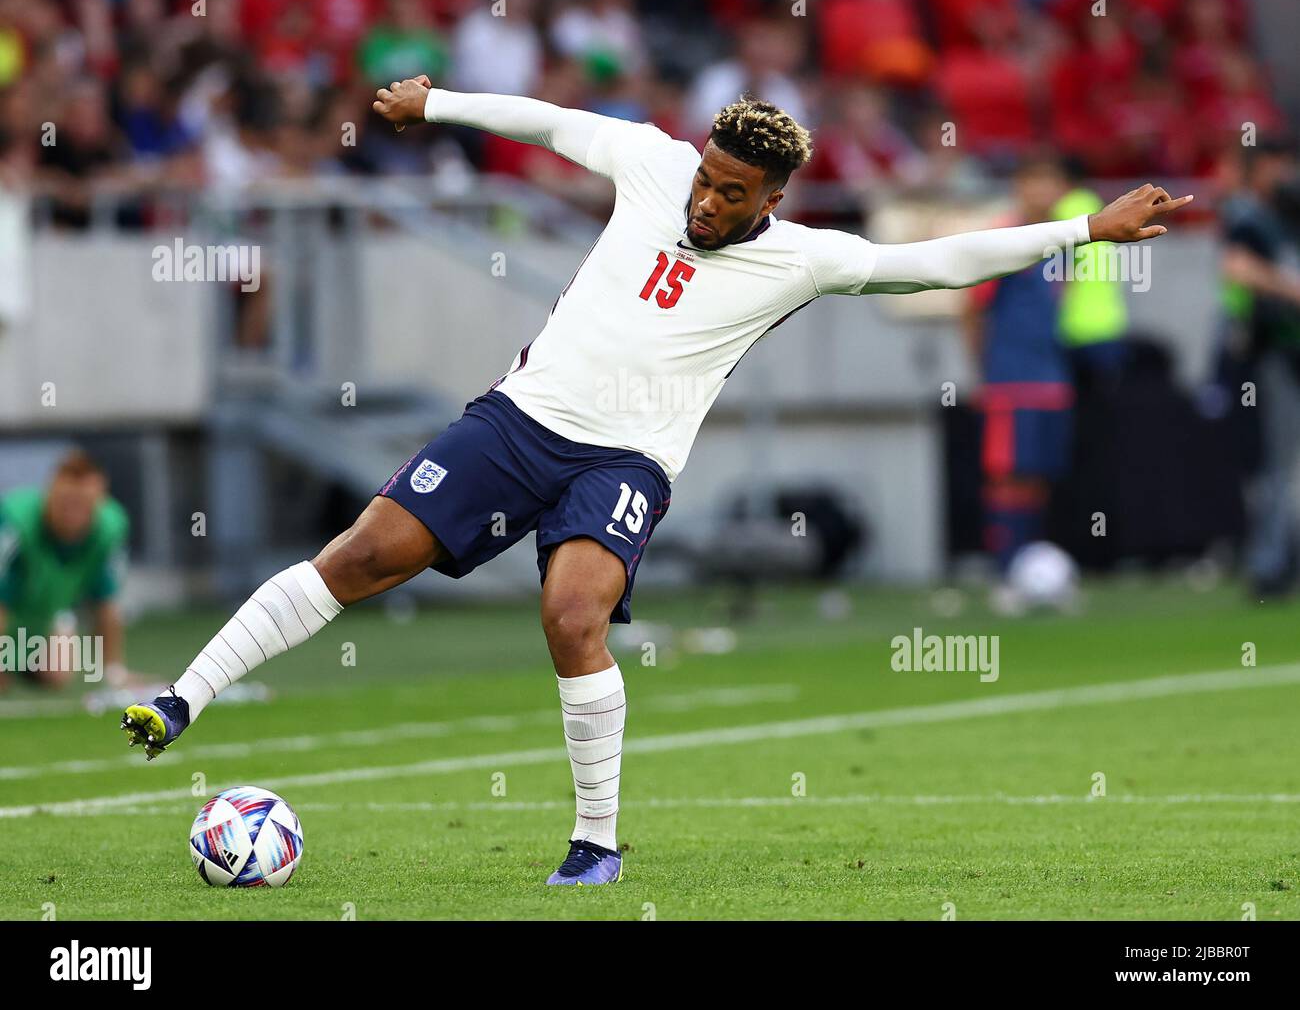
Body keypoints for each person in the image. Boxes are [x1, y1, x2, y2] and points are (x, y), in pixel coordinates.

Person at [122, 75, 1191, 885]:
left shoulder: (804, 259)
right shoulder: (648, 160)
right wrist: (434, 100)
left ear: (772, 197)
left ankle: (594, 843)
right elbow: (546, 122)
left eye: (732, 194)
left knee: (571, 614)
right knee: (362, 556)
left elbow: (941, 258)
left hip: (625, 461)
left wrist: (1081, 229)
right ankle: (182, 697)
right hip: (517, 421)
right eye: (706, 181)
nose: (707, 202)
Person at [962, 157, 1076, 594]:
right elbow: (972, 309)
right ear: (1019, 185)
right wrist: (983, 372)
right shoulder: (1005, 239)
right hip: (1011, 380)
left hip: (1053, 377)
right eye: (1036, 180)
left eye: (1052, 180)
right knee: (1007, 476)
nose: (1044, 191)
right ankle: (1006, 575)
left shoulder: (1065, 241)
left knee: (1037, 476)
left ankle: (1033, 572)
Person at [1217, 138, 1300, 595]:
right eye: (1274, 166)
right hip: (1275, 351)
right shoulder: (1249, 218)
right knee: (1277, 465)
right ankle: (1271, 565)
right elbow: (1237, 269)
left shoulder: (1290, 213)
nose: (1284, 175)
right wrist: (1290, 290)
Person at [0, 451, 130, 691]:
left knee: (58, 672)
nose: (73, 515)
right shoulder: (14, 522)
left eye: (84, 506)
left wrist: (114, 670)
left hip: (42, 618)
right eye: (67, 505)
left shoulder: (109, 529)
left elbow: (106, 602)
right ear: (51, 494)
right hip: (8, 616)